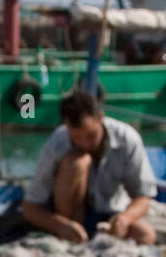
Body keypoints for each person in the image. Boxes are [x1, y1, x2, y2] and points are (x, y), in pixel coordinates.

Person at [20, 90, 157, 245]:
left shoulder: (127, 139)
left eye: (91, 135)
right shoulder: (58, 142)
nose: (84, 143)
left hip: (108, 214)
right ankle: (72, 236)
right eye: (76, 137)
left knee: (145, 235)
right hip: (68, 220)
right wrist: (60, 225)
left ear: (100, 117)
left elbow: (144, 196)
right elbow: (30, 207)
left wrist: (124, 219)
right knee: (77, 162)